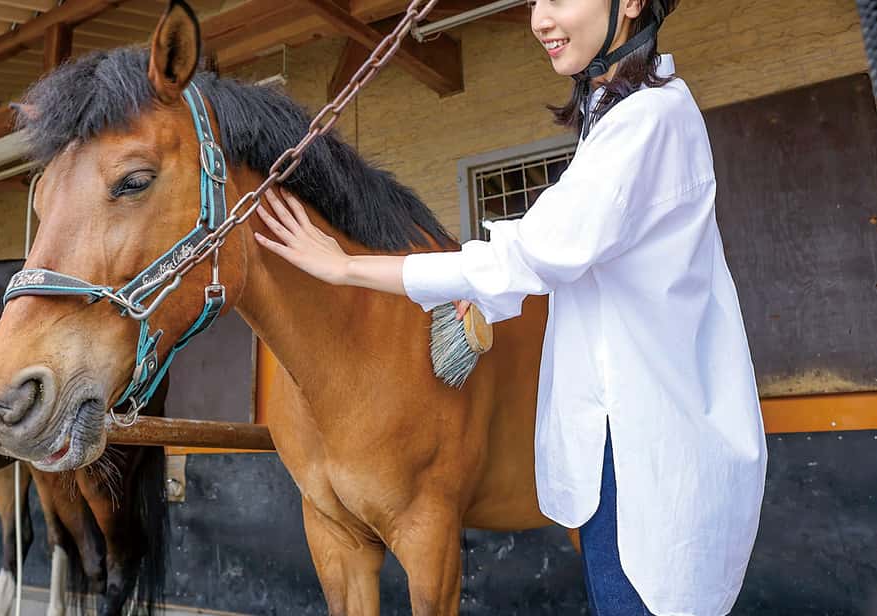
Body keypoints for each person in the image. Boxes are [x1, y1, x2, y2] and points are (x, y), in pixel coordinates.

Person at [252, 1, 767, 614]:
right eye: (534, 1)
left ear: (630, 2)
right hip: (623, 442)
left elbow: (526, 256)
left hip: (641, 448)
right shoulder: (617, 123)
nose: (540, 19)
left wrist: (347, 267)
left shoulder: (649, 121)